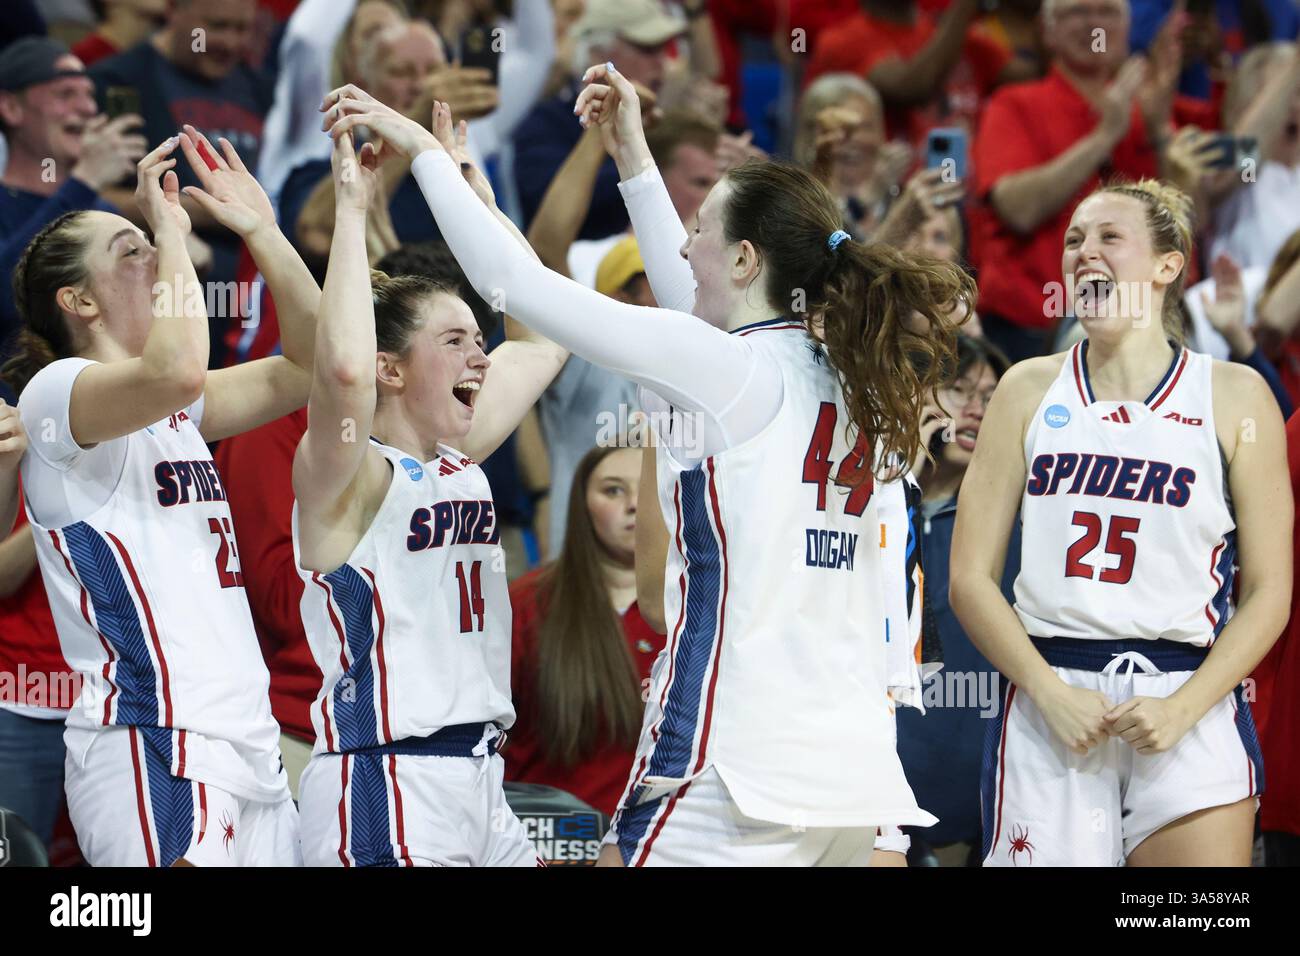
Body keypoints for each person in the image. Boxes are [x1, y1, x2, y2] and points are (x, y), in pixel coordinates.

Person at [320, 59, 973, 864]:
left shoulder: (727, 369)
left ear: (742, 261)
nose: (681, 244)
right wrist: (631, 151)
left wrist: (422, 149)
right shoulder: (850, 374)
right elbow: (689, 303)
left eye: (700, 230)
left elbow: (509, 280)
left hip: (733, 764)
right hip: (854, 774)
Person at [950, 179, 1291, 866]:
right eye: (1074, 239)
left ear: (1169, 265)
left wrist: (1184, 708)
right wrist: (1046, 692)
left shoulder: (1234, 395)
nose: (1084, 252)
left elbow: (1269, 591)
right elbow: (969, 579)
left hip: (1184, 696)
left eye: (1109, 237)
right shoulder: (1025, 388)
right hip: (1055, 696)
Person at [4, 127, 321, 867]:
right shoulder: (56, 395)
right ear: (77, 299)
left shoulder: (179, 410)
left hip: (246, 744)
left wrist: (262, 232)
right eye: (130, 250)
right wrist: (174, 232)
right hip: (154, 738)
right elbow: (175, 370)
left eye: (151, 243)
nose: (154, 253)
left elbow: (310, 365)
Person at [291, 109, 566, 867]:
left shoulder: (459, 455)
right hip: (387, 774)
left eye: (480, 340)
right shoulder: (348, 474)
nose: (481, 357)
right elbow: (342, 370)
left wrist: (473, 194)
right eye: (455, 342)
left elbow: (545, 334)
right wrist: (351, 212)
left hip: (480, 777)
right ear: (391, 368)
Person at [969, 0, 1181, 362]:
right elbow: (1018, 209)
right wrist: (1104, 136)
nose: (1093, 24)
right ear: (1046, 30)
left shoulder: (1147, 108)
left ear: (1128, 29)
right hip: (1030, 333)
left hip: (1135, 332)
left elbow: (1184, 225)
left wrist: (1160, 130)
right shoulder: (1013, 104)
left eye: (1107, 12)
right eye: (1077, 12)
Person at [895, 334, 1014, 864]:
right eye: (959, 388)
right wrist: (900, 482)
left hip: (983, 778)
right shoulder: (873, 498)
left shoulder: (1017, 517)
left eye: (991, 398)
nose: (976, 409)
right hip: (882, 778)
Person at [506, 444, 665, 816]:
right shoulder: (525, 604)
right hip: (542, 839)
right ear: (581, 505)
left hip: (659, 839)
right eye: (613, 490)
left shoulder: (698, 610)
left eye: (647, 491)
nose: (634, 505)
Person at [0, 37, 145, 382]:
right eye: (65, 95)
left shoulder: (103, 211)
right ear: (11, 108)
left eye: (89, 95)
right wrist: (84, 181)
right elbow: (6, 300)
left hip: (106, 408)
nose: (89, 109)